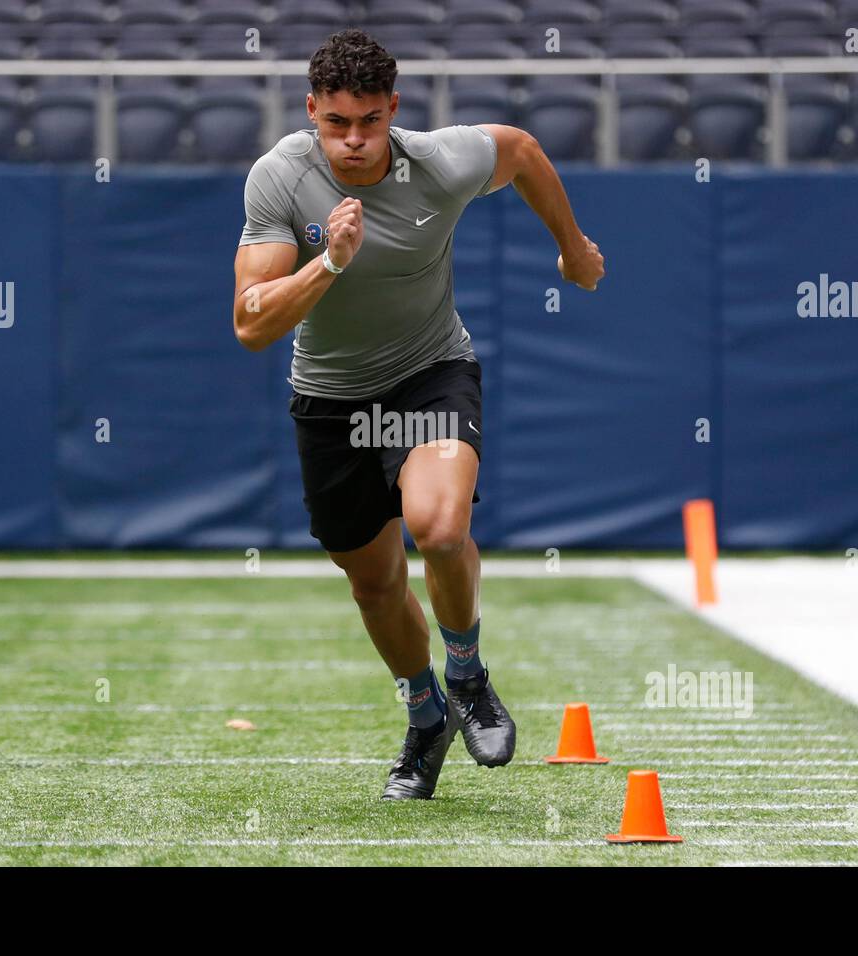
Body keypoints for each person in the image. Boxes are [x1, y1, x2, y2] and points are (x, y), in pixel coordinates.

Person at [233, 29, 605, 799]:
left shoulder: (439, 161)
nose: (355, 140)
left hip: (428, 375)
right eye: (338, 123)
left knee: (439, 527)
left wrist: (570, 246)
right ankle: (425, 711)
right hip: (330, 400)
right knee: (372, 582)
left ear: (394, 110)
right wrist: (329, 262)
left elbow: (525, 149)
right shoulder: (279, 178)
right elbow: (252, 323)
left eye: (370, 120)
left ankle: (466, 675)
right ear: (311, 112)